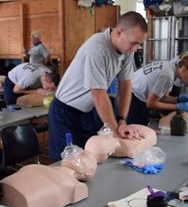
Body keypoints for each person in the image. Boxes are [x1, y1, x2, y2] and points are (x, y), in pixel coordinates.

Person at [48, 11, 147, 160]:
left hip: (89, 110)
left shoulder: (127, 50)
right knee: (69, 165)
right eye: (134, 43)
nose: (135, 48)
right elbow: (98, 94)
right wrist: (116, 132)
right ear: (119, 32)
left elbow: (126, 84)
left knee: (93, 158)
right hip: (66, 113)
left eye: (139, 44)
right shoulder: (97, 48)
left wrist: (122, 120)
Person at [127, 56, 188, 125]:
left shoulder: (169, 67)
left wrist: (179, 100)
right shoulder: (167, 76)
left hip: (134, 95)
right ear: (184, 70)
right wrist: (178, 107)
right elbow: (151, 104)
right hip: (132, 98)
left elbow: (162, 97)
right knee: (136, 132)